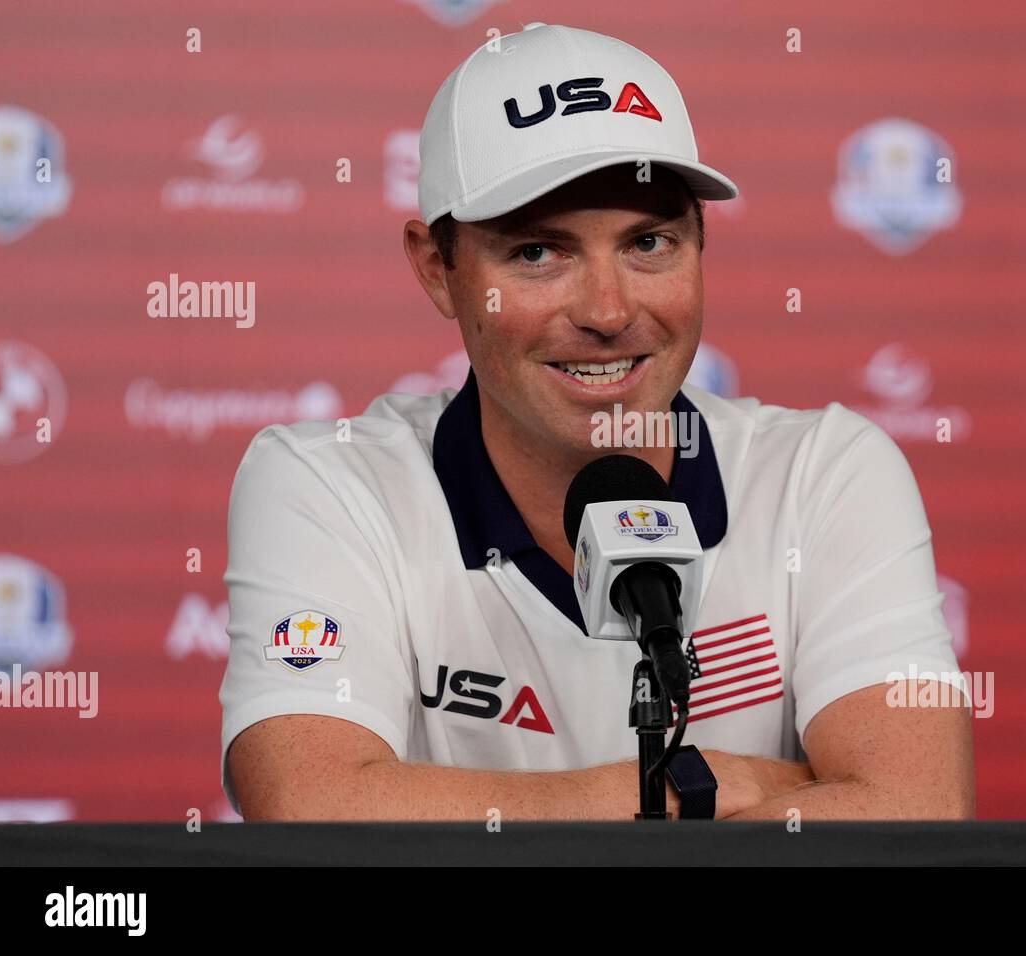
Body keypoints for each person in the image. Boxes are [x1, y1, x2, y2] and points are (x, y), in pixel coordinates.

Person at [219, 22, 974, 821]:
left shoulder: (827, 471)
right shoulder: (330, 482)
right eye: (539, 254)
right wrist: (710, 785)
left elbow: (916, 809)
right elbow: (313, 806)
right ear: (437, 269)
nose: (609, 312)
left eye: (650, 243)